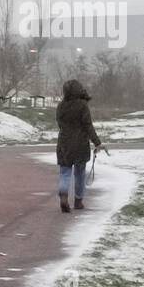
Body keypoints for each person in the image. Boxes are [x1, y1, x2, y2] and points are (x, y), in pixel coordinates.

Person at [55, 78, 103, 212]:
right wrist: (97, 142)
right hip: (80, 144)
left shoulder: (61, 106)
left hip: (64, 143)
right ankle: (78, 201)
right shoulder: (83, 105)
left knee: (65, 172)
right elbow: (88, 126)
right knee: (80, 174)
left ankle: (64, 195)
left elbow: (59, 123)